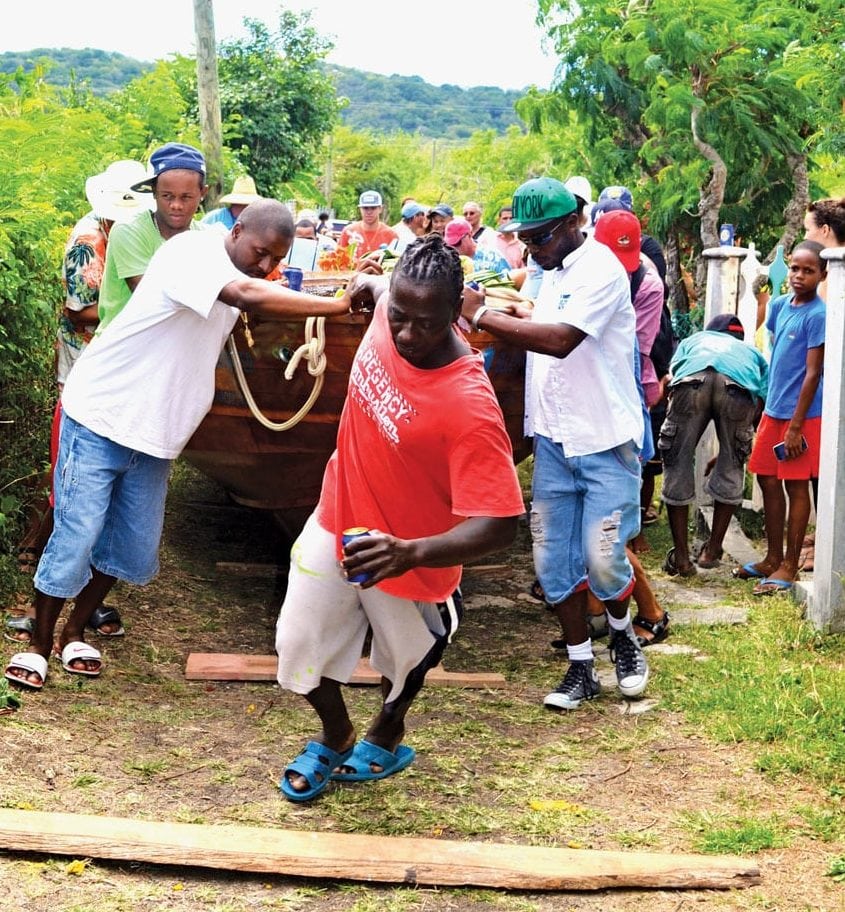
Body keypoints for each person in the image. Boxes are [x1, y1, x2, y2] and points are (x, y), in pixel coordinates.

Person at [4, 200, 355, 692]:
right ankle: (38, 645)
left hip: (157, 432)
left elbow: (260, 308)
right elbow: (246, 295)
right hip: (102, 414)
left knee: (131, 546)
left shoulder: (241, 272)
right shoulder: (191, 253)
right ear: (236, 230)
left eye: (275, 259)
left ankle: (75, 632)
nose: (265, 266)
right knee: (78, 533)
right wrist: (341, 303)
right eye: (260, 252)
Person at [275, 234, 525, 802]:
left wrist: (406, 552)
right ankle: (336, 735)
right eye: (400, 318)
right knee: (296, 642)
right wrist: (365, 286)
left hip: (411, 553)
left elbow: (501, 523)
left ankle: (389, 729)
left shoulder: (470, 405)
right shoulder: (396, 301)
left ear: (454, 312)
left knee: (406, 661)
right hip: (339, 514)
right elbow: (380, 285)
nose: (408, 335)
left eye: (427, 323)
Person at [461, 177, 649, 711]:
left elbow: (561, 340)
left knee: (604, 554)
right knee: (551, 562)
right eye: (524, 239)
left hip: (603, 439)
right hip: (553, 441)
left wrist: (480, 313)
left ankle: (623, 636)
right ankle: (580, 665)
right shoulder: (550, 270)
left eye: (539, 237)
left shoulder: (603, 271)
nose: (531, 248)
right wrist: (509, 308)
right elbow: (540, 317)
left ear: (574, 224)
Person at [6, 160, 154, 645]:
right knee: (71, 496)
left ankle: (80, 600)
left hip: (116, 379)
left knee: (96, 501)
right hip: (84, 380)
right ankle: (38, 604)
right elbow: (82, 310)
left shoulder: (131, 236)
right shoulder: (89, 244)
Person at [734, 241, 826, 595]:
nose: (800, 276)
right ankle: (772, 557)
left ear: (823, 274)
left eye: (809, 270)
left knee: (795, 485)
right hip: (773, 409)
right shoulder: (777, 306)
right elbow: (776, 358)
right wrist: (763, 407)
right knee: (766, 480)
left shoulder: (818, 315)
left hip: (802, 416)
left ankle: (789, 564)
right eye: (795, 269)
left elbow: (812, 373)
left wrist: (797, 426)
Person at [658, 313, 768, 576]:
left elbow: (672, 377)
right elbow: (761, 401)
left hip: (692, 381)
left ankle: (682, 560)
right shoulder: (750, 352)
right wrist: (734, 448)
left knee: (677, 463)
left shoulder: (694, 340)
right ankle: (711, 551)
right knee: (732, 466)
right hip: (738, 388)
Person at [97, 142, 208, 333]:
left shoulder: (207, 238)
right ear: (154, 192)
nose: (176, 205)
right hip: (123, 345)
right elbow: (152, 298)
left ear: (202, 193)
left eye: (186, 197)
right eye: (167, 196)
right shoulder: (129, 231)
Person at [798, 195, 844, 569]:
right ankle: (823, 534)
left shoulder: (834, 276)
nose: (806, 235)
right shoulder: (826, 276)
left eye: (809, 229)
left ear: (825, 231)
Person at [338, 190, 398, 260]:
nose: (369, 212)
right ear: (360, 209)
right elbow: (338, 260)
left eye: (373, 208)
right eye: (365, 208)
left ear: (380, 209)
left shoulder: (391, 235)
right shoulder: (348, 232)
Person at [444, 217, 511, 275]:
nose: (454, 248)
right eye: (450, 245)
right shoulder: (447, 261)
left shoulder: (493, 257)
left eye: (457, 243)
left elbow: (508, 284)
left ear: (469, 235)